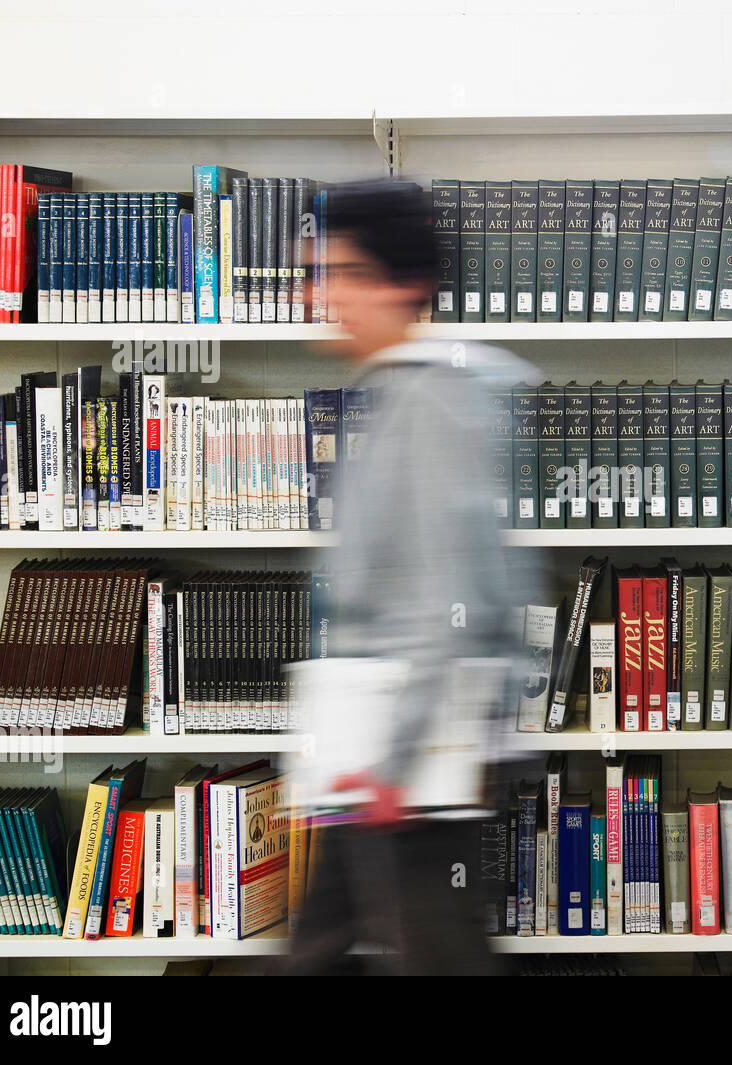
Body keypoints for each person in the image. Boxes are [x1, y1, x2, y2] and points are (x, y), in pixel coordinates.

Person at [285, 179, 531, 975]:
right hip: (376, 746)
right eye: (324, 272)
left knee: (428, 956)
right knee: (320, 948)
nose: (329, 295)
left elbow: (446, 596)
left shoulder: (431, 402)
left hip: (403, 755)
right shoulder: (397, 393)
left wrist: (392, 764)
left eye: (349, 274)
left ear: (406, 285)